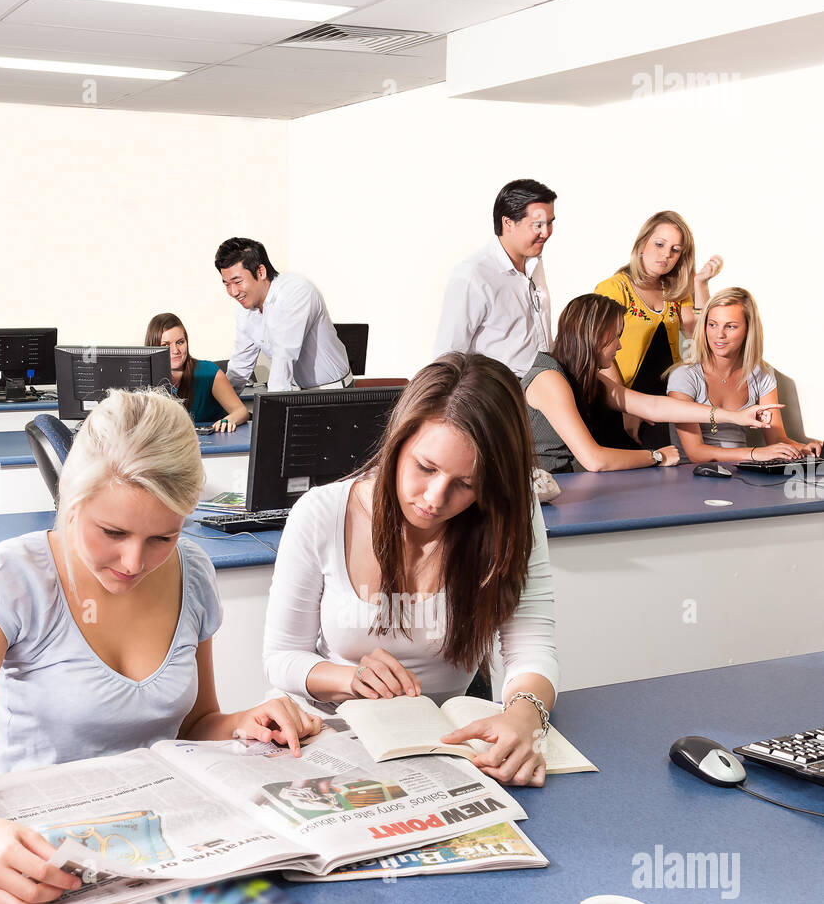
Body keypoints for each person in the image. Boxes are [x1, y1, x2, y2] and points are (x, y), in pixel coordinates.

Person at [0, 389, 320, 904]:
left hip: (158, 849)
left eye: (162, 537)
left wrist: (245, 722)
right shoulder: (15, 577)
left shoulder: (193, 574)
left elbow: (195, 723)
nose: (133, 561)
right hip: (29, 861)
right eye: (113, 532)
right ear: (73, 501)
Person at [263, 352, 560, 789]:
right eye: (425, 467)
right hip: (324, 734)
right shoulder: (322, 512)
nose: (435, 499)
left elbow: (532, 646)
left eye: (467, 484)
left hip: (439, 743)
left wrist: (524, 715)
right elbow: (281, 658)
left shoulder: (510, 514)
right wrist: (351, 678)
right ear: (399, 441)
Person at [522, 294, 778, 474]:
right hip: (541, 497)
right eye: (616, 337)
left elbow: (652, 407)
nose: (620, 346)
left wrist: (736, 417)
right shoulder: (549, 379)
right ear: (597, 337)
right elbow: (594, 459)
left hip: (564, 486)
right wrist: (657, 456)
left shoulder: (585, 377)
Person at [595, 211, 723, 446]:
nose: (666, 254)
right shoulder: (613, 288)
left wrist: (700, 284)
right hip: (620, 401)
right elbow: (598, 350)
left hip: (661, 404)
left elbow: (701, 335)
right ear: (642, 243)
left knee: (664, 469)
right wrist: (627, 407)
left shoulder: (674, 291)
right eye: (660, 244)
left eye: (675, 250)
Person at [667, 288, 821, 463]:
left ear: (748, 329)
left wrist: (802, 448)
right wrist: (756, 453)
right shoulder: (684, 376)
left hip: (741, 472)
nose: (719, 335)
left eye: (730, 326)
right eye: (713, 324)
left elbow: (776, 439)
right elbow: (696, 453)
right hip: (690, 476)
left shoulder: (761, 374)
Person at [434, 179, 556, 375]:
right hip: (500, 395)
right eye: (538, 225)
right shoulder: (473, 275)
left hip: (544, 386)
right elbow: (447, 357)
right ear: (508, 223)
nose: (547, 232)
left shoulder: (534, 261)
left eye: (550, 223)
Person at [215, 237, 352, 394]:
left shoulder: (296, 292)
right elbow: (240, 365)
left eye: (237, 282)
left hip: (334, 392)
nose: (233, 292)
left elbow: (283, 357)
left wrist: (271, 408)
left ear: (261, 272)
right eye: (227, 284)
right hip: (297, 393)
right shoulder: (245, 308)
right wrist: (223, 406)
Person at [145, 312, 248, 434]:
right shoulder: (142, 377)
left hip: (210, 446)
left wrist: (228, 420)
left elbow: (241, 411)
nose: (175, 350)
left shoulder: (208, 372)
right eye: (166, 345)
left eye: (180, 342)